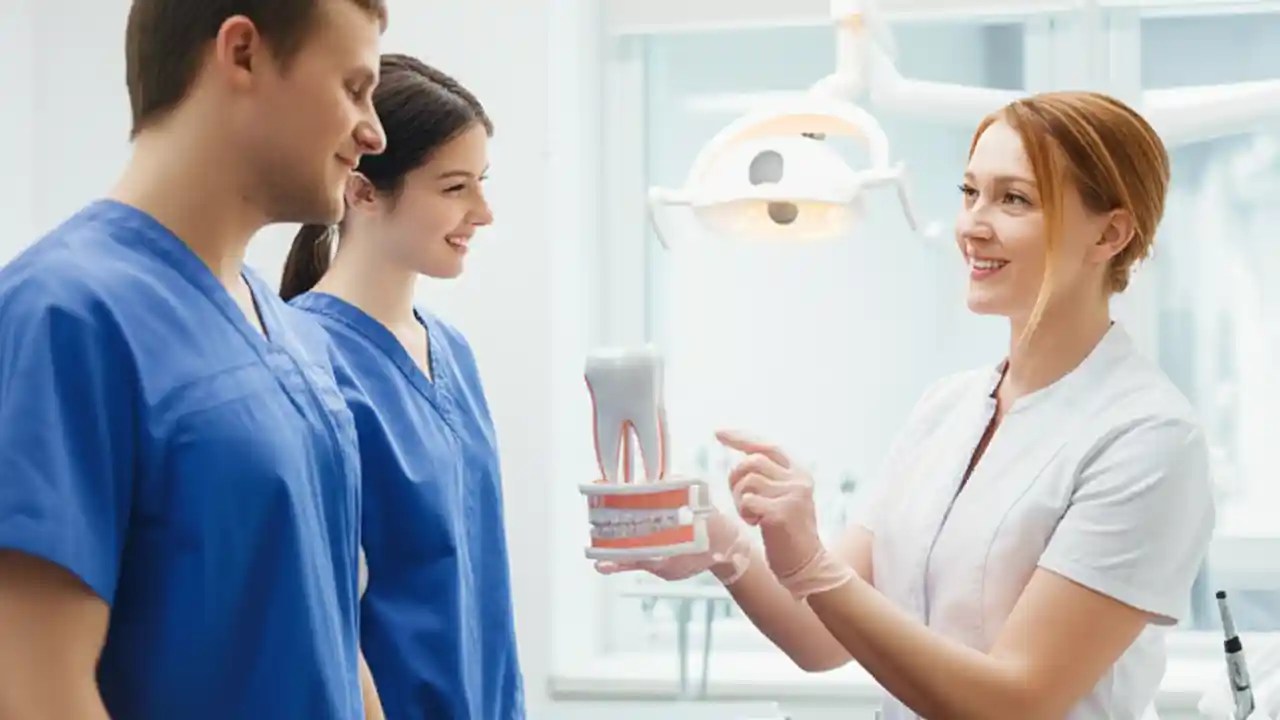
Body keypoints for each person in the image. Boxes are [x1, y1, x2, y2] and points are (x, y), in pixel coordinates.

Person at [598, 90, 1216, 720]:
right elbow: (821, 637)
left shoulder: (1147, 438)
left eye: (1014, 199)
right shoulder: (946, 409)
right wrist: (719, 540)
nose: (973, 224)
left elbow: (1016, 701)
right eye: (970, 192)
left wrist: (814, 562)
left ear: (1109, 234)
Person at [0, 1, 391, 718]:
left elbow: (326, 628)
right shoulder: (61, 317)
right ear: (241, 52)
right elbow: (35, 689)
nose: (374, 131)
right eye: (353, 88)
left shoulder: (293, 335)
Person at [279, 55, 524, 720]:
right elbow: (318, 604)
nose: (483, 212)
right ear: (361, 190)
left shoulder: (453, 352)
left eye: (481, 184)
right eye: (454, 188)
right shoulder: (304, 356)